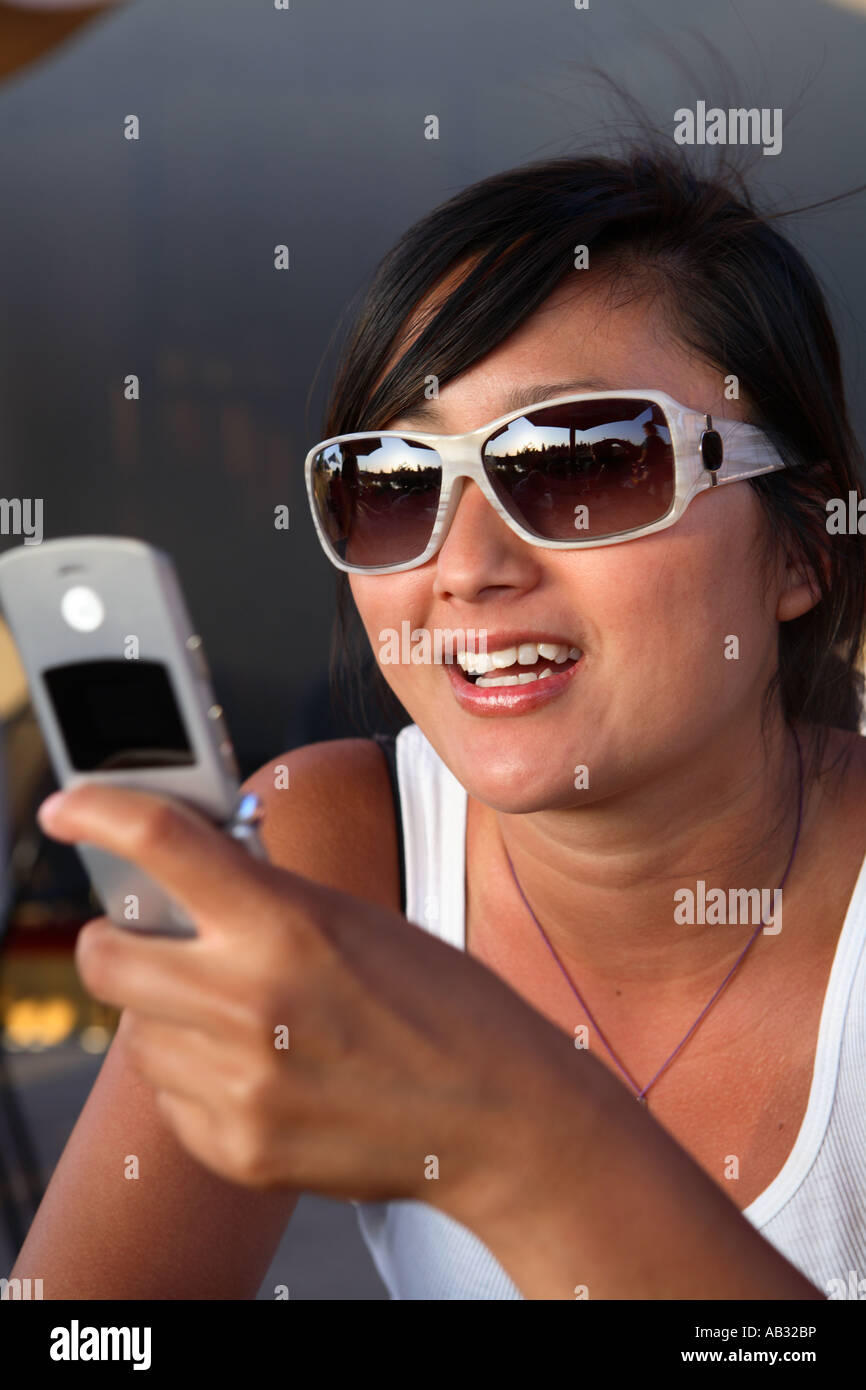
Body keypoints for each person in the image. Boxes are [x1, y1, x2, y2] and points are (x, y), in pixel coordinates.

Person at [8, 147, 866, 1300]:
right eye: (394, 481)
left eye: (580, 462)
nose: (461, 568)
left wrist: (520, 1135)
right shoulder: (336, 851)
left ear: (800, 545)